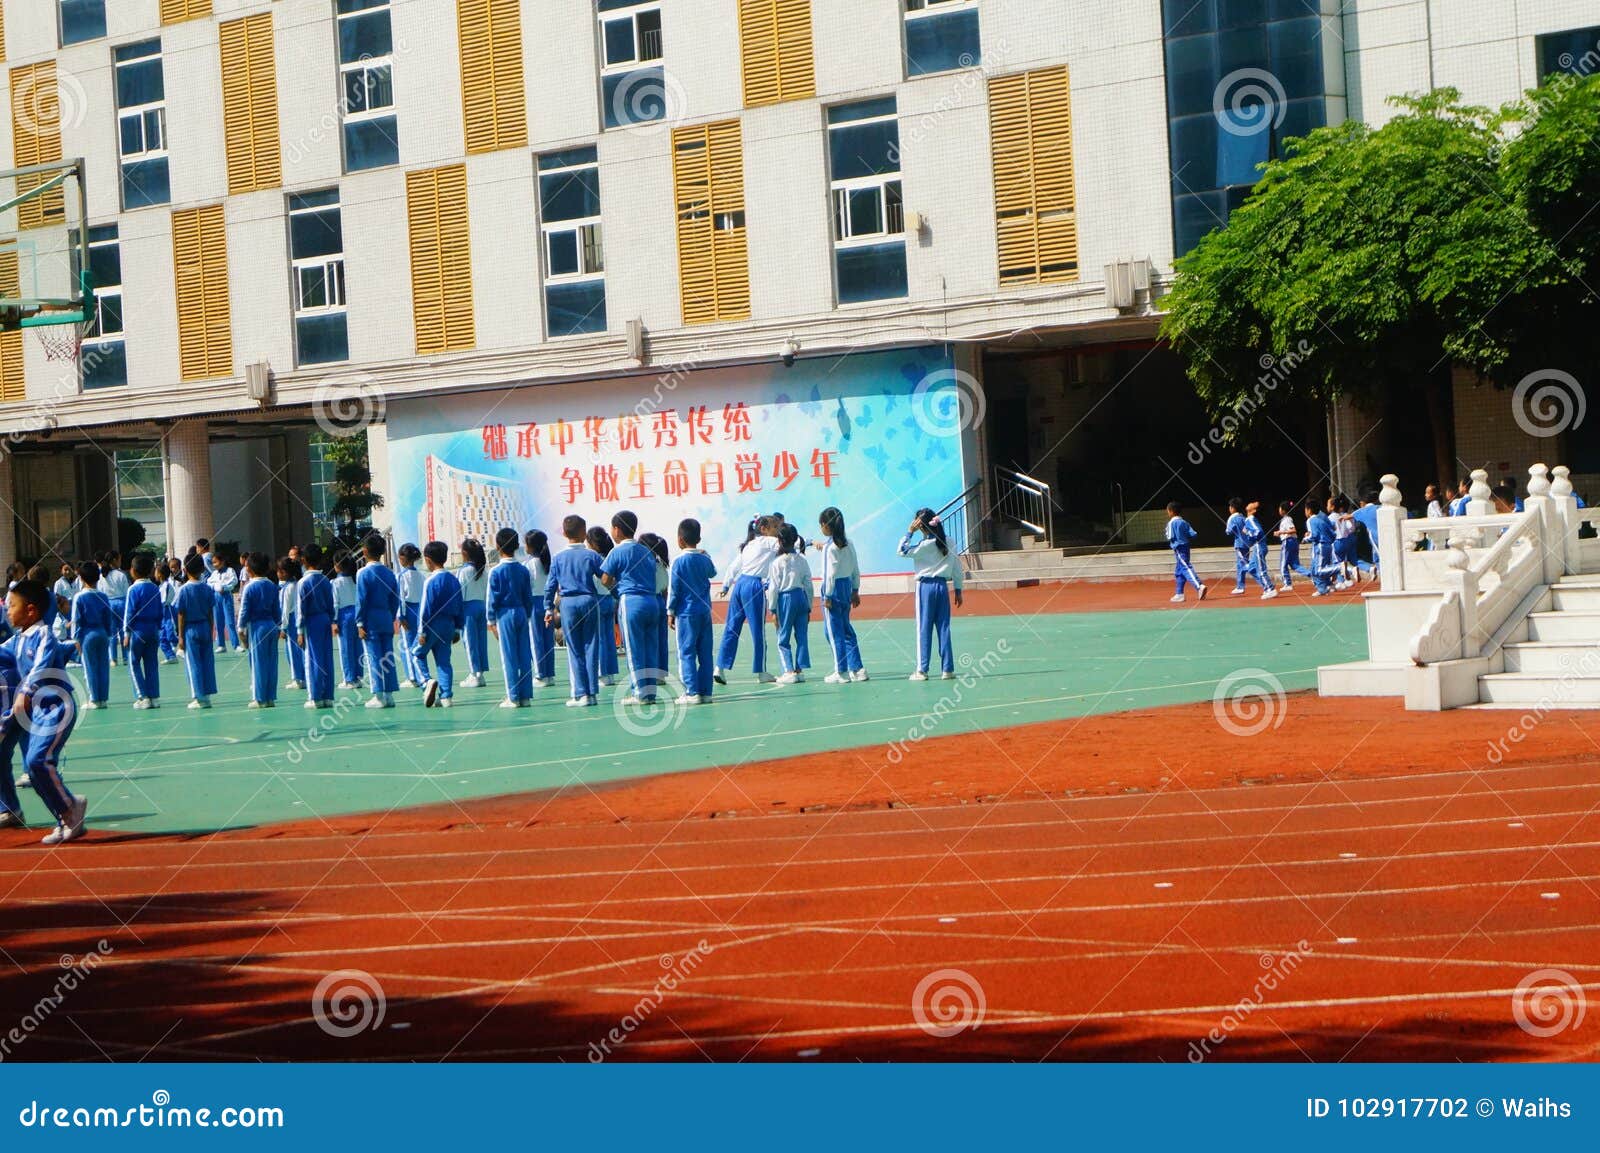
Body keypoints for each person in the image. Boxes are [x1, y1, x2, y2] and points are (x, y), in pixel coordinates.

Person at [5, 579, 88, 844]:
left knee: (38, 761)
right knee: (32, 763)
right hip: (35, 712)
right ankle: (68, 810)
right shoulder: (17, 641)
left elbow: (40, 666)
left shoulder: (43, 635)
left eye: (12, 606)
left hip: (56, 708)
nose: (7, 611)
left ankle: (70, 813)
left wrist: (26, 691)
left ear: (31, 610)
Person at [599, 510, 662, 706]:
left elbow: (605, 579)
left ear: (617, 530)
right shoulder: (646, 551)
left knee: (634, 650)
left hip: (631, 601)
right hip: (651, 600)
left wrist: (616, 590)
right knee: (651, 647)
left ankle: (639, 693)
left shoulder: (617, 552)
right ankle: (650, 692)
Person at [545, 516, 604, 707]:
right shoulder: (592, 555)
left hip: (568, 603)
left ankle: (581, 693)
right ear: (584, 532)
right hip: (589, 599)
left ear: (564, 533)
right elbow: (605, 576)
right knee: (591, 646)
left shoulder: (558, 557)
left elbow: (551, 585)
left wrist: (548, 607)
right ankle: (592, 692)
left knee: (575, 649)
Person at [899, 509, 963, 680]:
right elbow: (957, 568)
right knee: (944, 627)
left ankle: (922, 669)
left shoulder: (925, 545)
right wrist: (958, 589)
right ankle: (947, 669)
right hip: (942, 587)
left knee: (924, 628)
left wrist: (909, 532)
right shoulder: (949, 541)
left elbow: (902, 550)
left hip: (925, 586)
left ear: (921, 526)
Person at [715, 517, 779, 686]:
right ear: (764, 529)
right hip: (753, 586)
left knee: (731, 627)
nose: (777, 530)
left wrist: (726, 586)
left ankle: (719, 668)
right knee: (758, 631)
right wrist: (807, 543)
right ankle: (761, 671)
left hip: (739, 585)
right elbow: (789, 544)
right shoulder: (768, 541)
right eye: (775, 527)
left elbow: (734, 567)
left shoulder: (749, 545)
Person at [813, 507, 866, 683]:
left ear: (826, 526)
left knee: (833, 632)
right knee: (846, 630)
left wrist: (827, 595)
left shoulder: (830, 547)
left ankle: (840, 671)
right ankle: (858, 669)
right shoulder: (848, 543)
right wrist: (855, 590)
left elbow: (829, 573)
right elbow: (855, 568)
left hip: (833, 589)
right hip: (846, 586)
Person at [667, 519, 717, 705]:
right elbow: (713, 572)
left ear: (680, 540)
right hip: (704, 611)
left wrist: (670, 611)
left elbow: (674, 589)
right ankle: (706, 691)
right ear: (699, 538)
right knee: (705, 652)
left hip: (686, 613)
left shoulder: (678, 561)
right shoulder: (704, 559)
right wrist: (707, 555)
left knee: (686, 652)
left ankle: (691, 691)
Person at [487, 528, 534, 709]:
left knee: (509, 656)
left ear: (498, 547)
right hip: (521, 611)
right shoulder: (522, 570)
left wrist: (491, 621)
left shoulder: (496, 571)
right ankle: (526, 696)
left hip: (505, 614)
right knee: (524, 654)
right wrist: (527, 614)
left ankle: (512, 696)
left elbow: (492, 599)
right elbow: (528, 595)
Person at [415, 541, 465, 708]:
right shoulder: (453, 579)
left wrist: (421, 632)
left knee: (417, 654)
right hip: (449, 624)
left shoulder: (430, 581)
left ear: (428, 560)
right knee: (444, 661)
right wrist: (458, 628)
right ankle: (446, 697)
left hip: (432, 624)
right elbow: (459, 604)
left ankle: (426, 682)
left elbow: (425, 608)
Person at [355, 535, 401, 710]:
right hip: (386, 617)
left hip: (370, 619)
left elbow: (361, 600)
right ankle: (389, 694)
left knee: (373, 657)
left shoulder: (363, 573)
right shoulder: (390, 574)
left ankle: (378, 695)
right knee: (387, 656)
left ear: (365, 551)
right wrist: (391, 616)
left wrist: (360, 623)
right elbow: (395, 599)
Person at [767, 524, 812, 685]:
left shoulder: (777, 563)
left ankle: (788, 670)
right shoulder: (802, 560)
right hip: (801, 596)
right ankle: (799, 670)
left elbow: (773, 588)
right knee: (801, 635)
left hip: (785, 599)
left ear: (779, 541)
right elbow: (809, 584)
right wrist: (809, 606)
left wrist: (772, 609)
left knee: (783, 636)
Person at [70, 561, 114, 709]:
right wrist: (109, 633)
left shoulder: (79, 597)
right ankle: (103, 698)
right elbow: (108, 617)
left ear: (81, 579)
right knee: (103, 666)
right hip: (102, 632)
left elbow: (76, 620)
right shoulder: (103, 596)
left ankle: (94, 698)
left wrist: (75, 639)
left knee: (90, 667)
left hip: (87, 634)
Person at [175, 554, 218, 709]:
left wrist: (180, 636)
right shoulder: (207, 588)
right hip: (205, 626)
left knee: (193, 663)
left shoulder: (183, 590)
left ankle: (198, 697)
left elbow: (181, 613)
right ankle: (207, 695)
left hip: (190, 628)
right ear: (202, 569)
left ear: (185, 570)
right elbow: (210, 611)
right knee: (207, 661)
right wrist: (212, 628)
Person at [238, 552, 281, 708]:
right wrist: (278, 626)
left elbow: (244, 610)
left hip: (257, 626)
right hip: (271, 625)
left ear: (250, 569)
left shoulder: (250, 587)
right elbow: (277, 609)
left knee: (258, 663)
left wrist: (240, 628)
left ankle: (259, 698)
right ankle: (270, 697)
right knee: (271, 662)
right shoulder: (272, 585)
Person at [297, 545, 336, 709]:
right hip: (325, 620)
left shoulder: (303, 582)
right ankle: (328, 696)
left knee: (312, 659)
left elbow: (301, 609)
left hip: (311, 622)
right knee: (327, 658)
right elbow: (331, 604)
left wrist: (299, 631)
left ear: (303, 561)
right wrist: (332, 620)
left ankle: (314, 697)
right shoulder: (326, 580)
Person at [122, 552, 163, 709]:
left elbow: (129, 613)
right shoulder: (154, 588)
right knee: (152, 662)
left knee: (134, 662)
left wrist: (126, 633)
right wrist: (158, 628)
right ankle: (154, 697)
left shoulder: (133, 589)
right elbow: (160, 611)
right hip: (153, 629)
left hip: (138, 630)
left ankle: (142, 696)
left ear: (133, 570)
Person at [586, 526, 620, 688]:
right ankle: (610, 673)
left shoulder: (592, 559)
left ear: (592, 543)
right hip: (609, 599)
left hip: (597, 600)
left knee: (598, 638)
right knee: (608, 637)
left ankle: (602, 673)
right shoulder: (609, 557)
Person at [457, 538, 491, 690]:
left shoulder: (463, 571)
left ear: (464, 553)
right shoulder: (484, 571)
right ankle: (481, 674)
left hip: (468, 608)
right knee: (481, 641)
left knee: (470, 642)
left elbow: (459, 595)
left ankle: (474, 674)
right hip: (481, 607)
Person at [523, 531, 556, 688]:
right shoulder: (549, 562)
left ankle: (540, 674)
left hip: (534, 603)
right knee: (548, 639)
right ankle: (549, 674)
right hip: (547, 603)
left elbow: (526, 586)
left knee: (535, 640)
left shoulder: (528, 565)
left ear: (530, 546)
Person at [396, 543, 426, 689]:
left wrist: (401, 616)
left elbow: (400, 597)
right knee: (416, 644)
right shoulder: (421, 575)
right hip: (419, 610)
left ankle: (412, 677)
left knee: (406, 645)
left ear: (403, 557)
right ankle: (418, 673)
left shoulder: (401, 576)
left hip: (407, 610)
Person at [332, 553, 363, 691]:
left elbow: (335, 603)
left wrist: (334, 621)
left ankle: (348, 679)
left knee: (345, 648)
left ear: (338, 566)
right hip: (356, 613)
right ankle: (357, 677)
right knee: (357, 646)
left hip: (343, 615)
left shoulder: (334, 583)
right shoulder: (355, 580)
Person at [1164, 501, 1206, 604]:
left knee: (1185, 567)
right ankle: (1179, 594)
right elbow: (1193, 534)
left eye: (1168, 511)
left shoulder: (1171, 523)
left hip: (1178, 548)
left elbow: (1169, 536)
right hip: (1186, 547)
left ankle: (1199, 586)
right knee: (1179, 571)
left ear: (1171, 511)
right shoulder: (1184, 522)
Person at [277, 556, 306, 690]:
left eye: (279, 571)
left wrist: (283, 627)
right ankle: (304, 677)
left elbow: (285, 610)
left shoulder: (286, 588)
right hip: (299, 619)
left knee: (292, 651)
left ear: (284, 572)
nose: (277, 573)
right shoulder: (298, 584)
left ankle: (297, 679)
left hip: (291, 621)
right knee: (301, 650)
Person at [99, 551, 130, 665]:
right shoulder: (121, 575)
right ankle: (126, 657)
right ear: (115, 560)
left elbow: (101, 592)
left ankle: (113, 659)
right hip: (121, 602)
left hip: (108, 603)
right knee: (123, 630)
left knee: (111, 632)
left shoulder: (103, 576)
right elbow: (126, 592)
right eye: (119, 559)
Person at [208, 552, 242, 653]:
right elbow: (209, 583)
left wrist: (225, 587)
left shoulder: (230, 570)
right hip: (216, 596)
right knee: (218, 621)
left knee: (230, 621)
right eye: (213, 563)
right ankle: (221, 645)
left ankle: (236, 645)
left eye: (216, 562)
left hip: (226, 595)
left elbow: (234, 581)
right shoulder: (214, 573)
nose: (214, 565)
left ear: (222, 561)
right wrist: (214, 587)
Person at [1275, 500, 1311, 590]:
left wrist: (1280, 532)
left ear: (1283, 510)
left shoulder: (1286, 519)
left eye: (1280, 508)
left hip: (1288, 541)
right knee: (1295, 564)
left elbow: (1293, 530)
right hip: (1293, 541)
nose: (1279, 510)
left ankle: (1287, 584)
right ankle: (1311, 574)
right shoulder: (1287, 519)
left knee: (1283, 564)